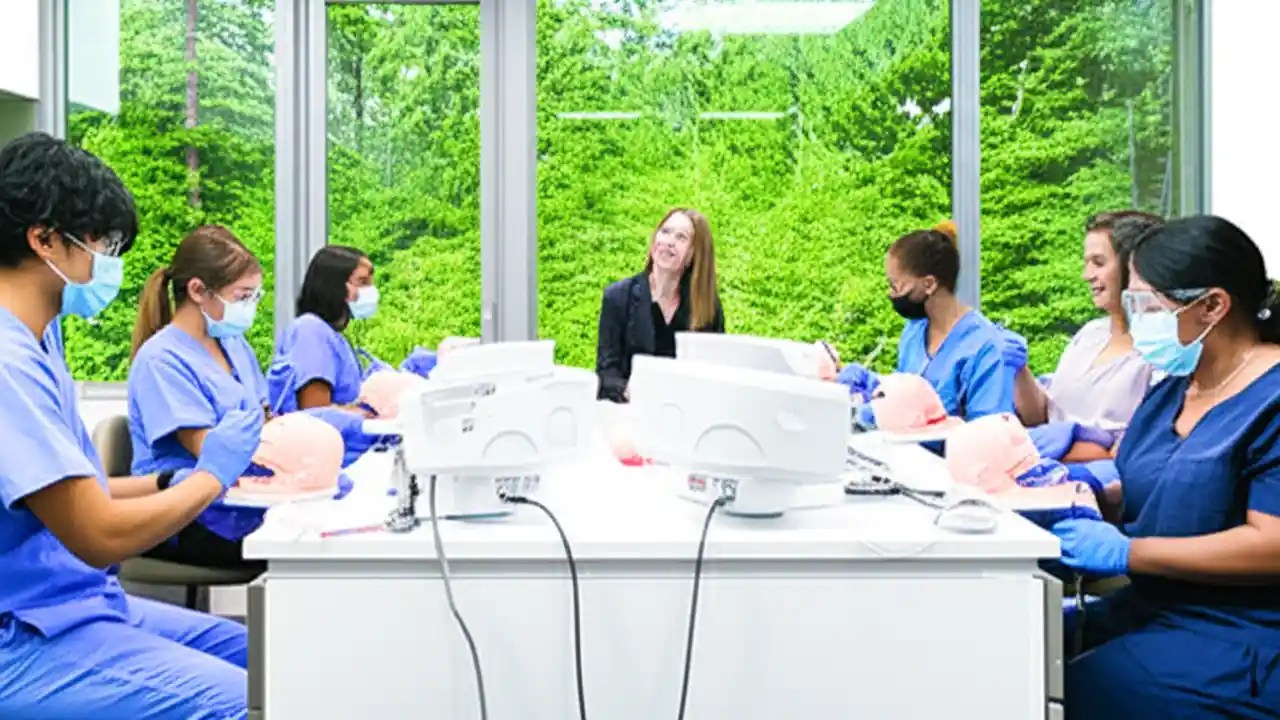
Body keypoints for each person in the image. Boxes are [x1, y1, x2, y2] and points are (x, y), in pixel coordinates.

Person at [0, 132, 256, 717]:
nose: (110, 262)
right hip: (23, 631)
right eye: (103, 243)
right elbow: (97, 534)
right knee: (247, 702)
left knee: (273, 656)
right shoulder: (6, 360)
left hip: (78, 601)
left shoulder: (43, 338)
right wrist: (211, 476)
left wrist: (167, 483)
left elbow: (69, 492)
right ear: (43, 239)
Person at [1052, 215, 1280, 718]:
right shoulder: (1175, 389)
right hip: (1153, 605)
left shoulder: (1273, 398)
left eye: (1149, 305)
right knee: (1016, 647)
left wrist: (1130, 552)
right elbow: (1163, 483)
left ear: (1214, 306)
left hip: (1243, 629)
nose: (1137, 319)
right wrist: (1083, 495)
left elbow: (1272, 545)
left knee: (1074, 690)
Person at [128, 225, 272, 571]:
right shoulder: (162, 359)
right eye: (242, 296)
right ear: (197, 290)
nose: (250, 307)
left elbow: (265, 419)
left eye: (255, 297)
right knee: (297, 548)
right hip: (187, 515)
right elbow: (211, 451)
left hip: (236, 499)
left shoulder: (234, 345)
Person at [1005, 212, 1162, 462]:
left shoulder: (1159, 354)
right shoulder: (1090, 334)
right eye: (1087, 263)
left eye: (1098, 263)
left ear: (1134, 268)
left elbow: (1124, 452)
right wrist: (1019, 369)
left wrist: (1026, 453)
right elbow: (1043, 416)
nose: (1087, 275)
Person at [839, 221, 1014, 422]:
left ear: (929, 284)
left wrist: (932, 426)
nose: (890, 294)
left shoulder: (984, 346)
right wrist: (877, 388)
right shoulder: (915, 330)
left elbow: (989, 432)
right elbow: (903, 394)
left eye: (895, 286)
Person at [596, 208, 725, 402]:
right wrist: (630, 390)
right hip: (630, 411)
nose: (669, 241)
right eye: (665, 231)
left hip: (685, 413)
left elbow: (716, 373)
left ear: (693, 254)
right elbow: (606, 374)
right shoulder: (618, 297)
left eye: (681, 237)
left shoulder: (708, 307)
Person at [267, 245, 384, 414]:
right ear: (334, 285)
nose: (371, 291)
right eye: (363, 282)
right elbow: (316, 412)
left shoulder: (334, 337)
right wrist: (366, 414)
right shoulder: (310, 331)